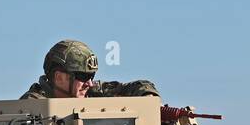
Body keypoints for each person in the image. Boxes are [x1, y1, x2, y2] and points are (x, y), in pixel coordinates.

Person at [21, 39, 160, 100]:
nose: (90, 83)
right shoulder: (34, 106)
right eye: (82, 76)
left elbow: (140, 86)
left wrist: (148, 99)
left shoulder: (91, 92)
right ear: (59, 77)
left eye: (91, 76)